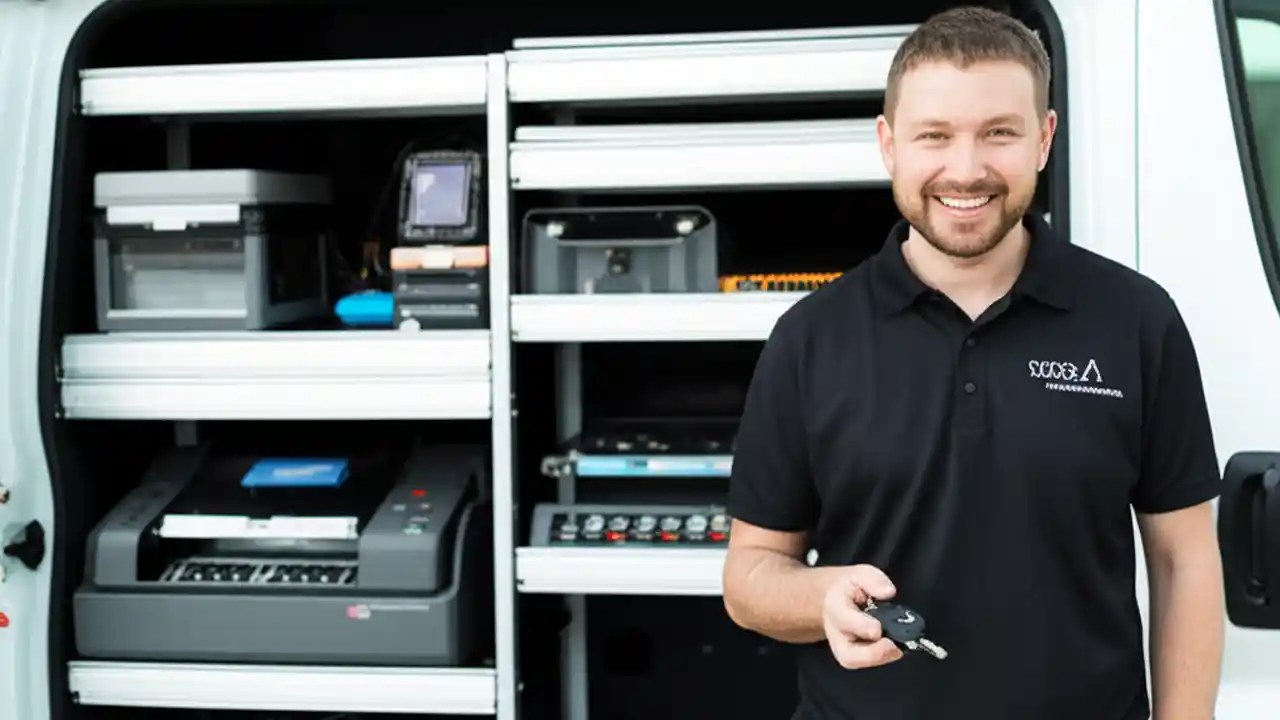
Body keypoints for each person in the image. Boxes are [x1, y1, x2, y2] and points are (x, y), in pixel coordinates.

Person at [721, 6, 1225, 720]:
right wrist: (820, 598)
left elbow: (1184, 561)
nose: (966, 169)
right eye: (935, 136)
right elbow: (749, 576)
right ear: (889, 144)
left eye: (999, 133)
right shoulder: (810, 338)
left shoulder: (1135, 319)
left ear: (1044, 139)